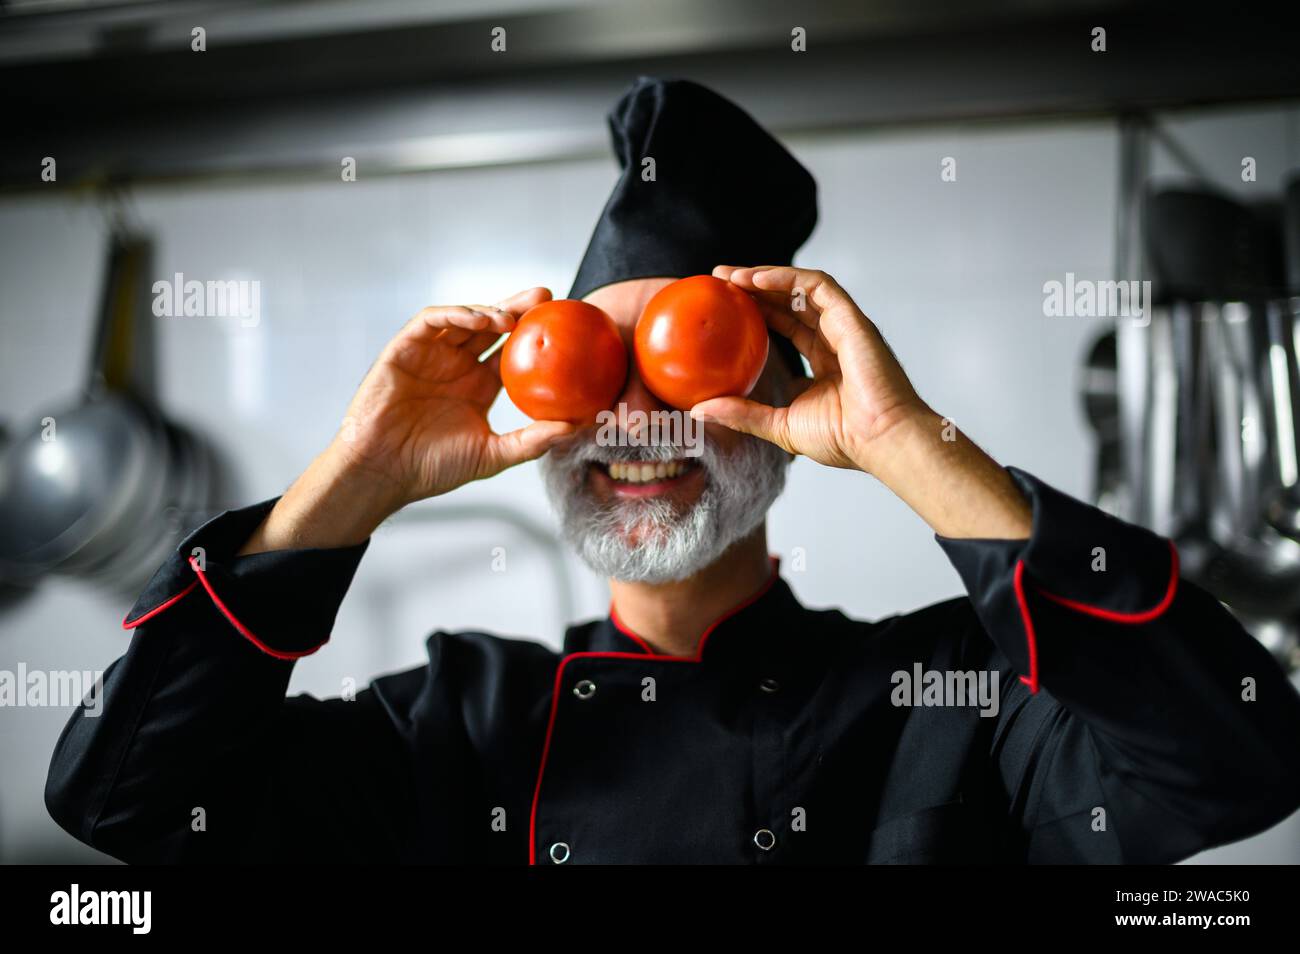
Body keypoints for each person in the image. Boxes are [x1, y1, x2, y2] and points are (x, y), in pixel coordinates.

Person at [46, 77, 1300, 864]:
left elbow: (1237, 764)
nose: (636, 425)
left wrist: (909, 444)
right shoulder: (449, 728)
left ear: (785, 401)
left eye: (687, 371)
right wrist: (355, 478)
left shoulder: (950, 698)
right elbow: (125, 807)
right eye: (593, 374)